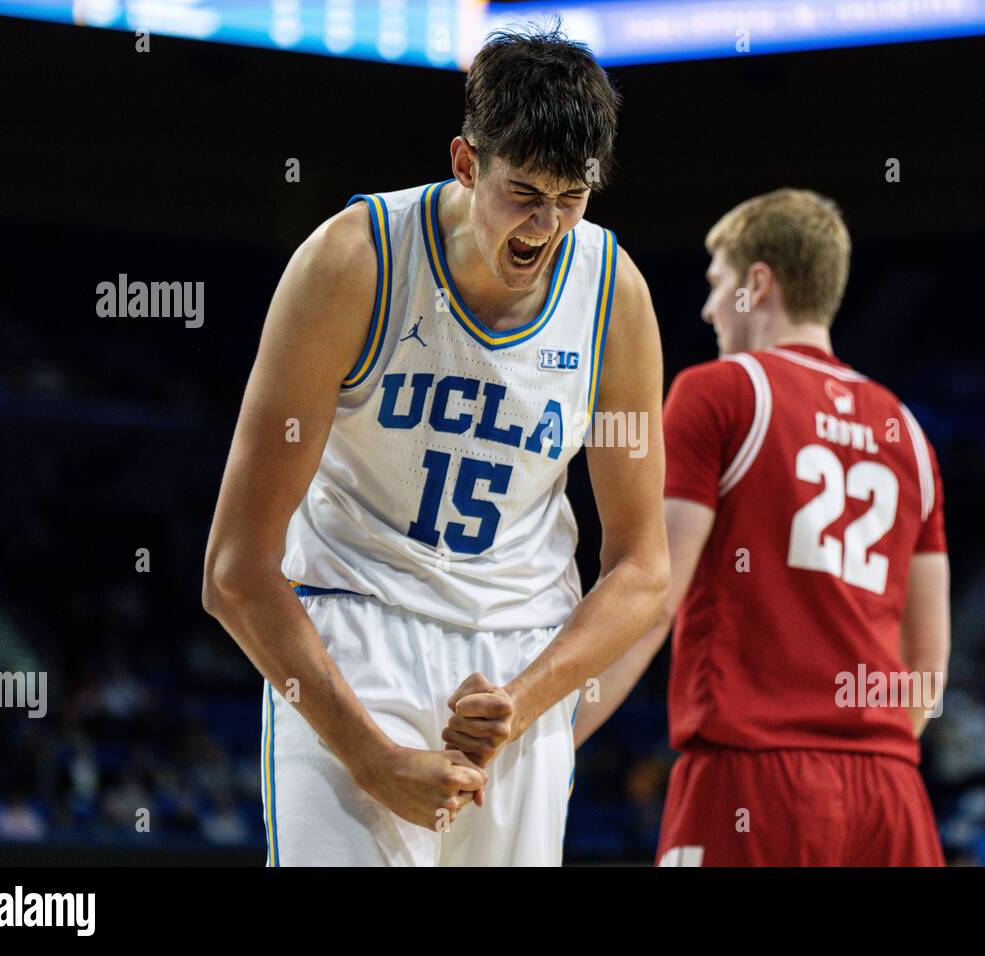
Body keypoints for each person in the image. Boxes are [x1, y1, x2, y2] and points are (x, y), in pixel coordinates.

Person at [202, 24, 668, 866]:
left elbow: (642, 569)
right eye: (525, 192)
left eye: (572, 198)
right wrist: (368, 756)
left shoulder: (614, 294)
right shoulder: (353, 263)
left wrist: (524, 702)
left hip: (520, 653)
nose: (547, 225)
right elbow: (235, 569)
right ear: (465, 162)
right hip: (356, 629)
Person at [575, 188, 949, 866]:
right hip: (891, 791)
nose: (708, 306)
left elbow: (650, 596)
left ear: (758, 283)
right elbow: (927, 668)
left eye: (716, 284)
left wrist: (555, 733)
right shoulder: (909, 434)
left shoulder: (720, 391)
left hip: (753, 777)